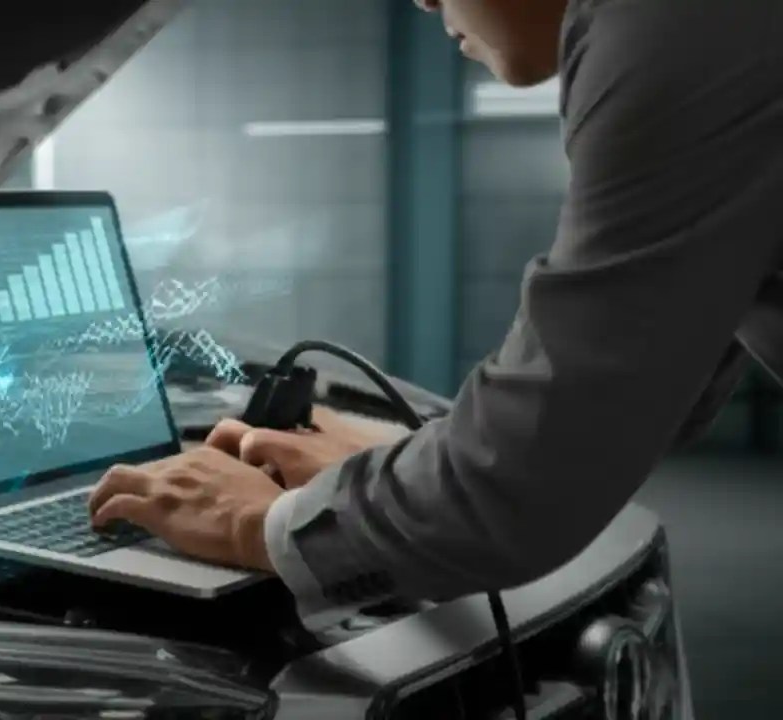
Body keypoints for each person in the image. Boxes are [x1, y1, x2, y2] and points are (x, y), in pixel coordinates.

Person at [89, 0, 783, 627]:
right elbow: (649, 388)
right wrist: (401, 471)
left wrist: (256, 523)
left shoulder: (671, 33)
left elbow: (529, 478)